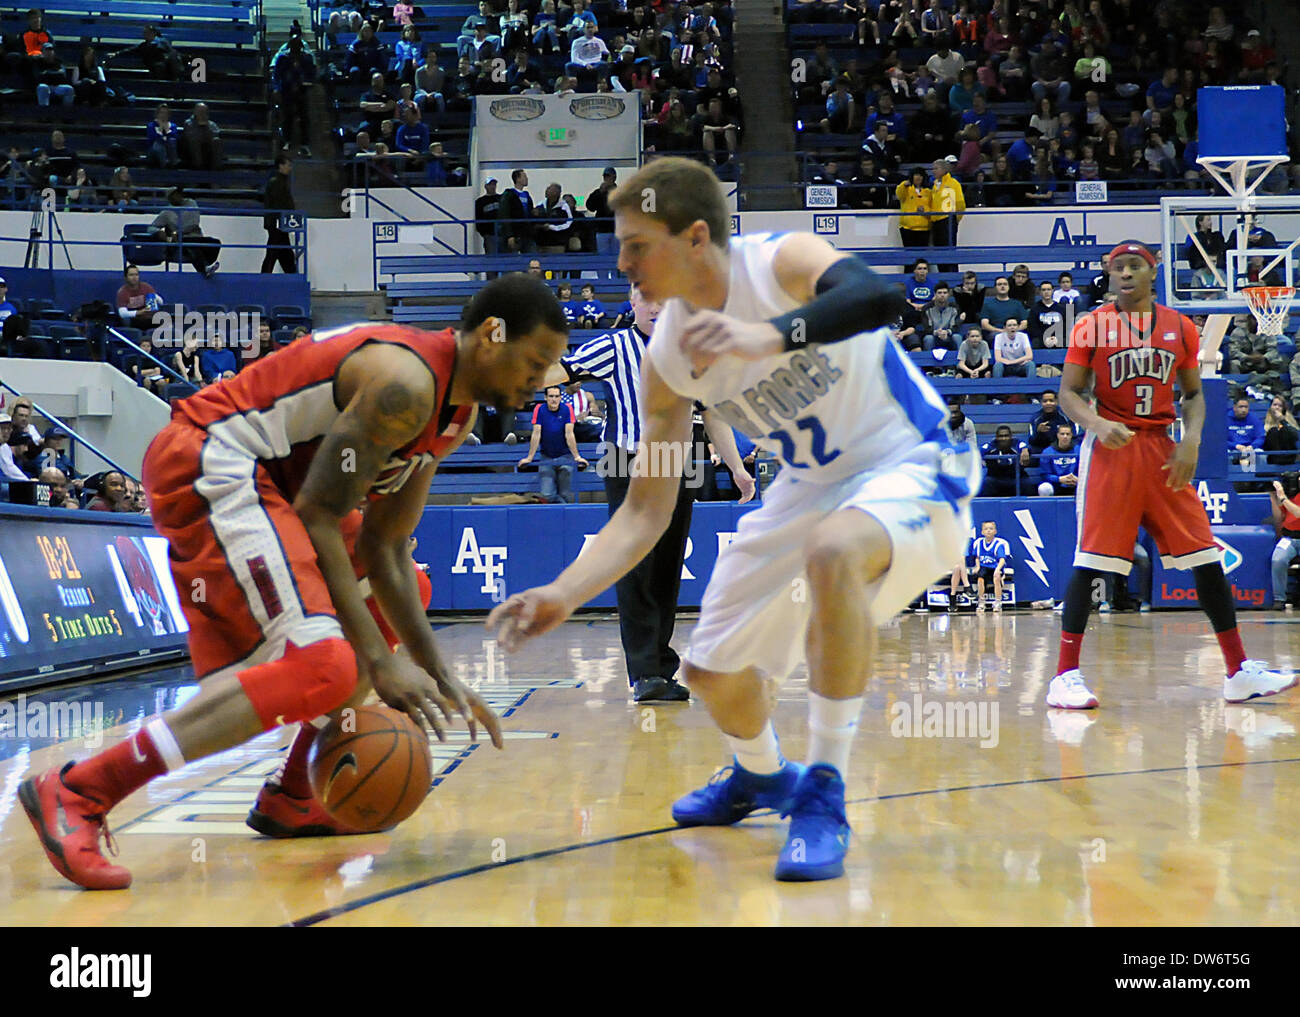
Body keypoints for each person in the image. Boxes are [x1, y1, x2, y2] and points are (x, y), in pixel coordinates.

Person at [489, 156, 981, 882]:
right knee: (713, 673)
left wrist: (773, 336)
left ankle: (823, 791)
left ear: (695, 238)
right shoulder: (668, 358)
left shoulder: (777, 262)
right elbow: (644, 510)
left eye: (636, 244)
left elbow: (876, 296)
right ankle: (760, 774)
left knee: (833, 550)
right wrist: (564, 591)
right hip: (809, 482)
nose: (621, 262)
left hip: (911, 456)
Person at [20, 274, 569, 890]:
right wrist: (381, 667)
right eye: (536, 361)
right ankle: (82, 788)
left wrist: (439, 672)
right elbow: (320, 514)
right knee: (325, 665)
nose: (540, 380)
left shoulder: (455, 413)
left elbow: (383, 545)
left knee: (407, 592)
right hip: (214, 456)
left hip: (273, 484)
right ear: (493, 334)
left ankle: (296, 792)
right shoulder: (406, 385)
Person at [1048, 240, 1295, 711]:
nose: (1125, 274)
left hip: (1163, 449)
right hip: (1110, 450)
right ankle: (1064, 676)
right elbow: (1068, 395)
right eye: (1117, 267)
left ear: (1152, 272)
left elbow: (1194, 395)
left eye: (1134, 266)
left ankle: (1238, 670)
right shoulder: (1090, 326)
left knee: (1205, 556)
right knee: (1092, 559)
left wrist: (1192, 440)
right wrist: (1098, 424)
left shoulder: (1180, 327)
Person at [540, 283, 754, 702]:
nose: (656, 306)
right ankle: (643, 672)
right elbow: (559, 372)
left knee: (667, 566)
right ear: (632, 303)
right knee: (635, 564)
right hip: (629, 462)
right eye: (647, 298)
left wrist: (737, 468)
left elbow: (712, 414)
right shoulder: (612, 346)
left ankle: (660, 666)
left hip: (680, 460)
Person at [518, 385, 588, 503]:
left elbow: (569, 434)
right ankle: (565, 508)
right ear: (545, 397)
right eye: (551, 396)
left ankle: (565, 514)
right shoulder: (539, 409)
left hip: (565, 456)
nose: (554, 399)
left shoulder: (567, 409)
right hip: (547, 456)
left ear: (561, 397)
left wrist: (577, 456)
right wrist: (530, 457)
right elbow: (536, 434)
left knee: (565, 494)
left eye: (556, 396)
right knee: (547, 495)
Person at [151, 186, 220, 277]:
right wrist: (165, 236)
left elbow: (193, 221)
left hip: (195, 236)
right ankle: (204, 269)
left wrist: (180, 230)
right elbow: (151, 228)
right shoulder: (166, 213)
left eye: (179, 193)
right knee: (192, 247)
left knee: (215, 243)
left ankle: (205, 264)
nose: (179, 196)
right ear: (170, 198)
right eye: (175, 194)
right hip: (178, 240)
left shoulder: (191, 203)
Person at [261, 153, 297, 274]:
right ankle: (292, 278)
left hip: (278, 224)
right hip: (278, 224)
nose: (290, 168)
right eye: (288, 165)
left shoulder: (278, 182)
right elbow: (279, 204)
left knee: (281, 254)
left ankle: (291, 277)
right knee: (276, 253)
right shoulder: (277, 183)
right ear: (280, 166)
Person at [1270, 473, 1300, 609]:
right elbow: (1280, 516)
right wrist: (1274, 497)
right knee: (1278, 559)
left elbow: (1298, 513)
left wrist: (1283, 497)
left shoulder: (1286, 498)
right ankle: (1279, 599)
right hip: (1290, 538)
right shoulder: (1292, 495)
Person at [969, 521, 1009, 612]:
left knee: (996, 577)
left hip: (996, 566)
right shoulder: (979, 543)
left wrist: (998, 570)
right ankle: (981, 601)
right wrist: (977, 566)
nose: (988, 531)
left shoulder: (998, 544)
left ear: (995, 531)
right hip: (984, 566)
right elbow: (977, 557)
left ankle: (998, 601)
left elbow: (1002, 560)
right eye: (986, 529)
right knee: (980, 578)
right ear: (982, 532)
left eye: (991, 529)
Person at [980, 424, 1028, 495]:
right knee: (987, 482)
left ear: (1011, 437)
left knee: (1026, 482)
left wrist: (1025, 450)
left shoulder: (1017, 443)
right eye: (1000, 436)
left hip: (1015, 477)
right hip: (996, 478)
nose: (1003, 438)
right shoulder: (991, 445)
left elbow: (1024, 446)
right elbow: (980, 451)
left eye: (1006, 436)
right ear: (996, 437)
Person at [499, 168, 535, 254]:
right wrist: (509, 235)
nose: (527, 178)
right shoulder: (509, 195)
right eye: (524, 176)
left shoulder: (527, 195)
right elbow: (505, 214)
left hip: (526, 232)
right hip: (515, 232)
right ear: (518, 179)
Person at [1037, 423, 1080, 495]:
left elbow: (1084, 470)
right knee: (1044, 487)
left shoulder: (1079, 450)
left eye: (1068, 434)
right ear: (1057, 435)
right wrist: (1059, 479)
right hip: (1055, 484)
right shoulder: (1047, 452)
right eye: (1062, 434)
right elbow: (1045, 475)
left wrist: (1077, 479)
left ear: (1071, 435)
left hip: (1075, 483)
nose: (1065, 436)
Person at [116, 264, 161, 330]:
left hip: (148, 317)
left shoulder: (146, 287)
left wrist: (156, 298)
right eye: (131, 275)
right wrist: (139, 312)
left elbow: (159, 302)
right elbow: (122, 313)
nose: (134, 277)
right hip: (133, 319)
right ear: (125, 277)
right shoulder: (122, 292)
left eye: (136, 275)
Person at [180, 103, 224, 171]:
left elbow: (215, 135)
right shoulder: (188, 123)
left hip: (208, 150)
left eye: (204, 111)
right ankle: (198, 166)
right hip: (191, 152)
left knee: (217, 140)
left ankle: (217, 167)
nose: (201, 113)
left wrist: (206, 128)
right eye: (200, 111)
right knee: (195, 141)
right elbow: (189, 137)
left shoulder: (211, 124)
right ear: (195, 112)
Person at [1227, 395, 1264, 464]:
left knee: (1261, 454)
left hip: (1250, 448)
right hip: (1233, 449)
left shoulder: (1254, 419)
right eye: (1241, 407)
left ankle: (1261, 474)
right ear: (1234, 407)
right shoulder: (1225, 419)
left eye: (1246, 407)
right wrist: (1235, 446)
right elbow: (1220, 440)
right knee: (1225, 453)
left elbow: (1261, 437)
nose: (1244, 410)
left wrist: (1252, 446)